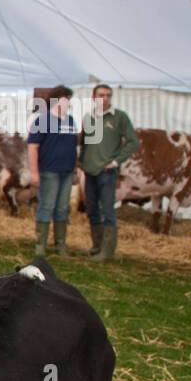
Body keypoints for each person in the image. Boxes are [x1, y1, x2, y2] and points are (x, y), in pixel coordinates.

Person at [80, 84, 137, 262]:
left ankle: (107, 252)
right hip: (89, 171)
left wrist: (116, 162)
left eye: (108, 95)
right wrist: (81, 161)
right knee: (91, 209)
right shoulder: (88, 118)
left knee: (107, 210)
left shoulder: (119, 117)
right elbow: (85, 143)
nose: (105, 99)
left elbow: (133, 142)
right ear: (93, 97)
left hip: (107, 171)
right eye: (101, 95)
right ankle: (97, 246)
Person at [27, 84, 78, 256]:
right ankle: (40, 244)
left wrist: (76, 170)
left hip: (67, 171)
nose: (69, 103)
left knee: (62, 208)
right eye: (66, 99)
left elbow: (73, 147)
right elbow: (32, 147)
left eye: (69, 99)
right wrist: (34, 172)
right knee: (46, 206)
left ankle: (60, 244)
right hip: (49, 171)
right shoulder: (42, 120)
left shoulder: (70, 121)